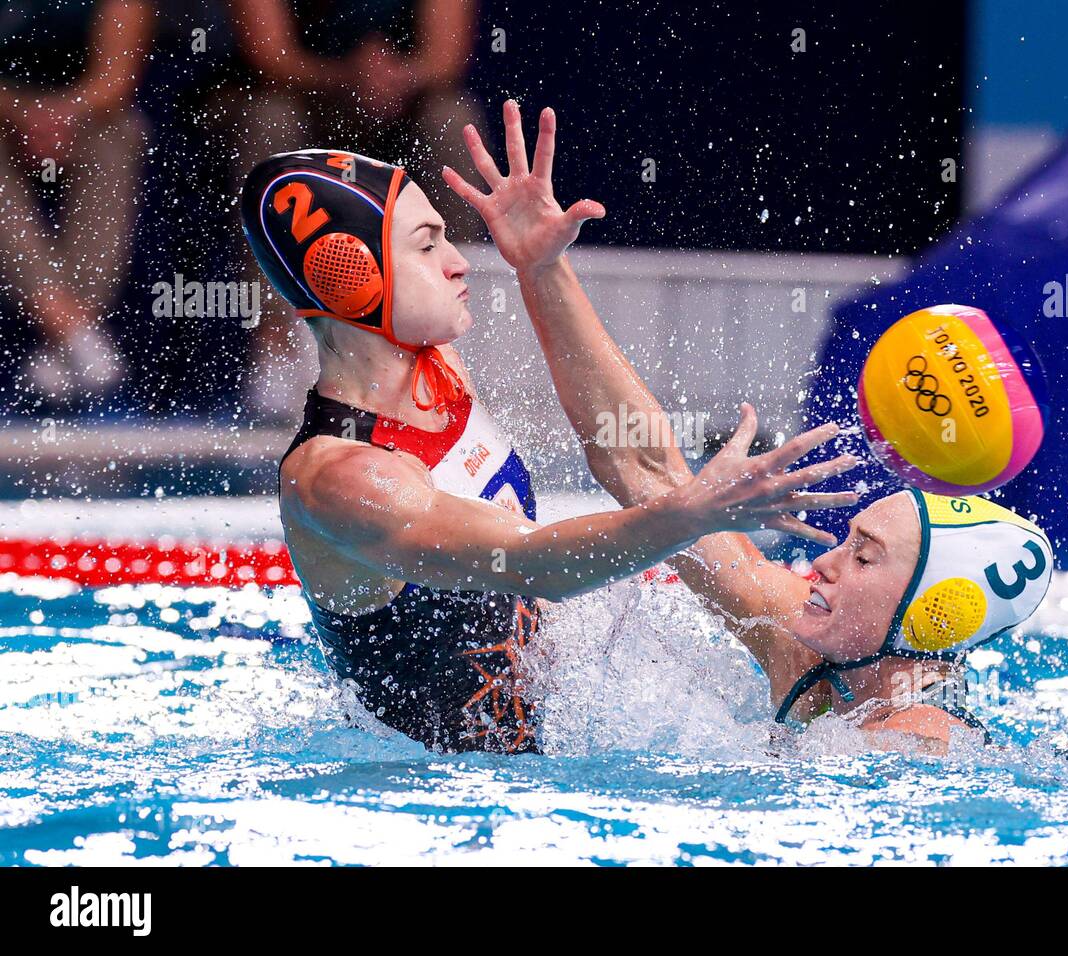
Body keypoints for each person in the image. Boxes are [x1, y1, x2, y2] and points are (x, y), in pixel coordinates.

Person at [238, 102, 862, 754]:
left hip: (541, 757)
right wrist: (689, 512)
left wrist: (540, 268)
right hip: (450, 809)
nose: (457, 261)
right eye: (427, 244)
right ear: (349, 277)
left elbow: (638, 466)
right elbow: (536, 564)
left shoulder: (433, 370)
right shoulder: (342, 481)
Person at [437, 107, 1056, 755]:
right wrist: (542, 270)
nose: (818, 564)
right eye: (849, 543)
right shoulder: (808, 644)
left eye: (864, 556)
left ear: (932, 618)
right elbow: (647, 476)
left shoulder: (925, 749)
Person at [224, 0, 488, 420]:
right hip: (308, 98)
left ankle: (455, 337)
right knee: (268, 118)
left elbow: (445, 56)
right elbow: (268, 54)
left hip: (403, 101)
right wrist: (348, 77)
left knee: (451, 117)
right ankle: (274, 344)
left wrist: (397, 76)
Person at [0, 0, 154, 402]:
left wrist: (63, 113)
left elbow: (116, 77)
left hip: (80, 115)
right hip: (6, 116)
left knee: (119, 132)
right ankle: (73, 331)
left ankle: (65, 341)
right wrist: (21, 113)